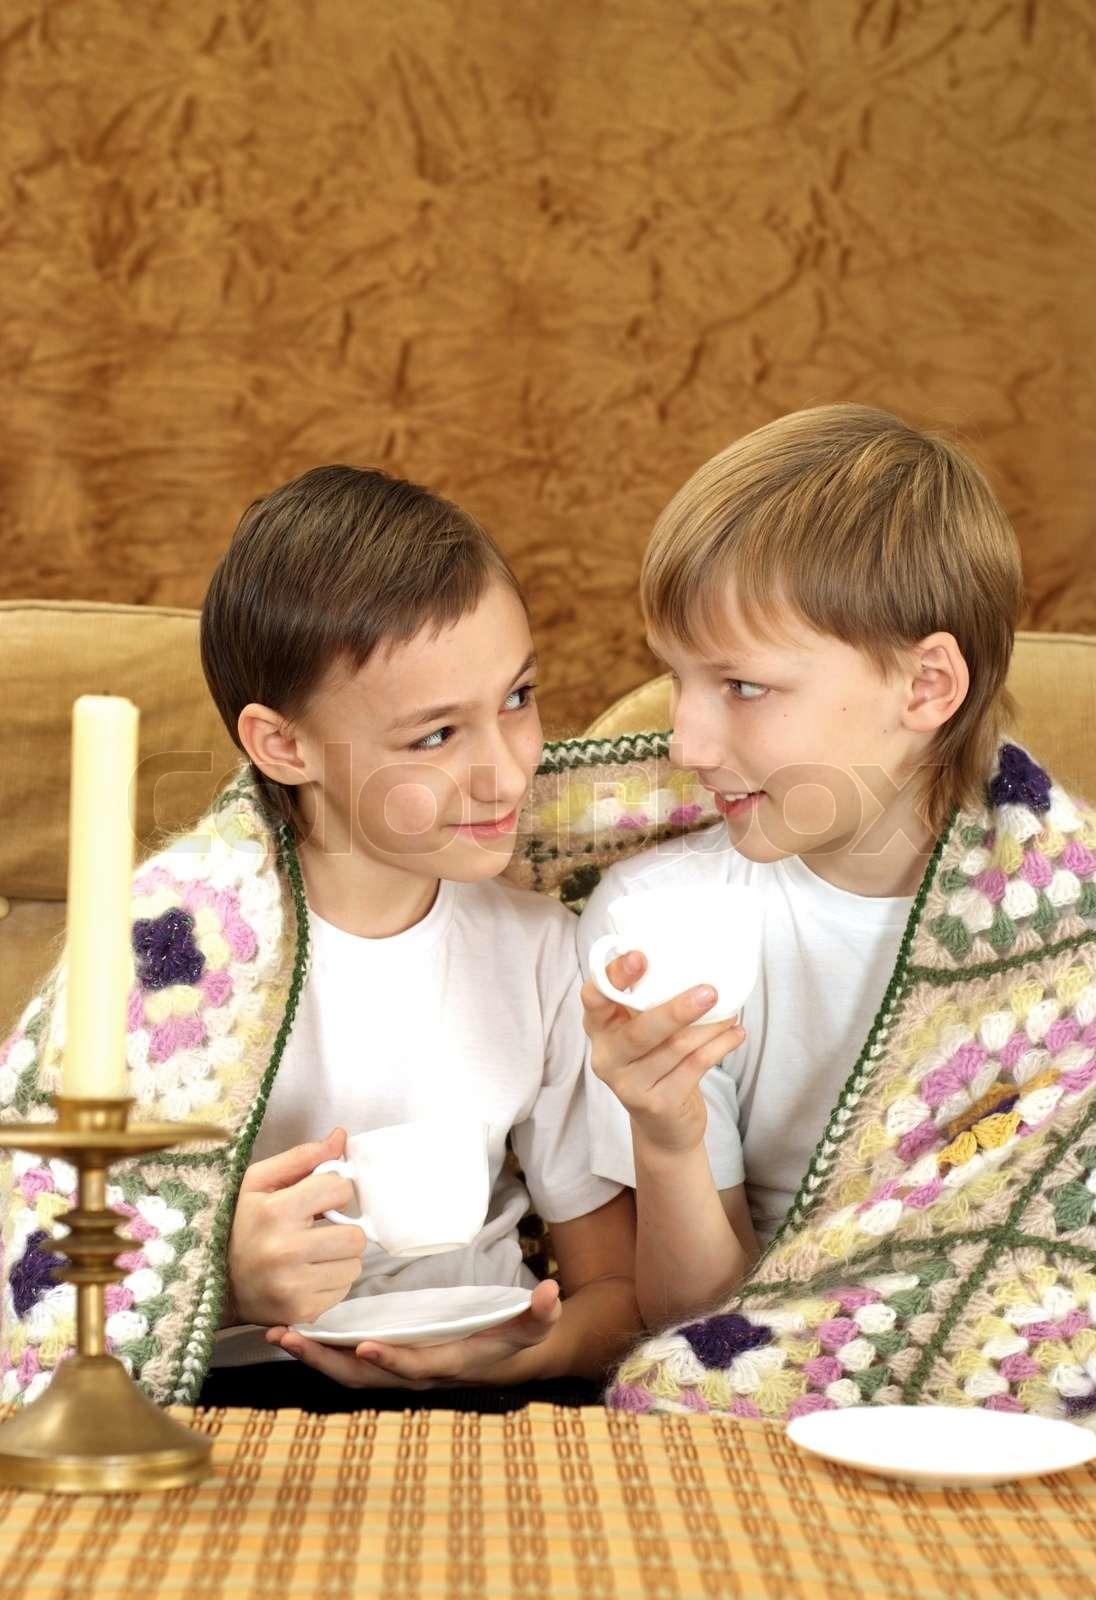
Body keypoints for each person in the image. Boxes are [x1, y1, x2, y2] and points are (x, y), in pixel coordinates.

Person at [0, 466, 638, 1411]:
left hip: (494, 1405)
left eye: (518, 697)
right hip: (228, 1400)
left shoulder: (543, 948)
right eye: (433, 738)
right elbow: (38, 1264)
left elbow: (618, 1297)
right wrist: (222, 1281)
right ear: (285, 746)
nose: (505, 775)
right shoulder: (162, 955)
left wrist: (514, 1357)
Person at [578, 402, 1083, 1343]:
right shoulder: (658, 919)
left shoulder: (1067, 924)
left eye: (743, 686)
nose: (686, 739)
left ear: (927, 686)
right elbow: (695, 1325)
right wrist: (668, 1133)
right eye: (675, 677)